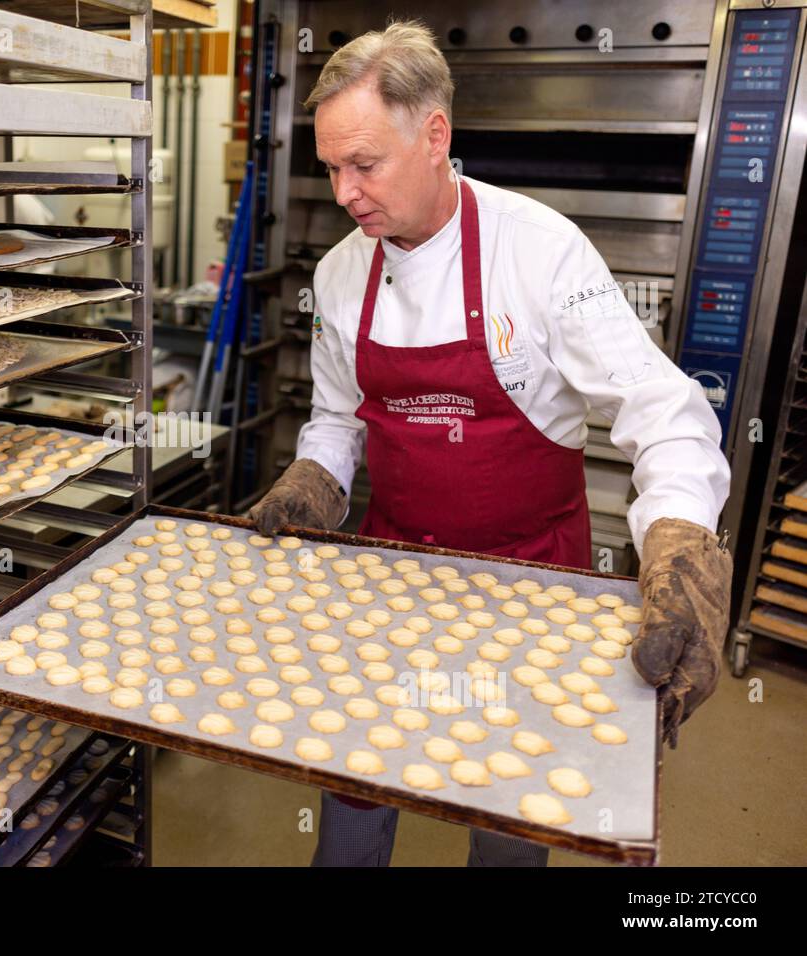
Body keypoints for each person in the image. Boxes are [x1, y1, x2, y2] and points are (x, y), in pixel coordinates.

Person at [247, 21, 733, 867]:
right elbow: (336, 421)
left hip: (532, 578)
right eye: (331, 167)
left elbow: (665, 409)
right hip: (390, 574)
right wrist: (310, 484)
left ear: (434, 135)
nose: (345, 191)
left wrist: (681, 547)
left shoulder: (540, 254)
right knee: (356, 770)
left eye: (365, 164)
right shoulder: (339, 274)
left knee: (512, 804)